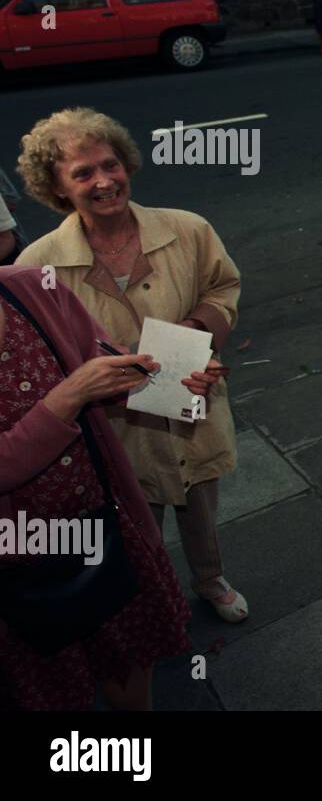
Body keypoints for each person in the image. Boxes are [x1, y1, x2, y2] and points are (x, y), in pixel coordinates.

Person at [14, 108, 247, 625]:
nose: (103, 181)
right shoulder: (38, 264)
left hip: (190, 403)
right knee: (133, 519)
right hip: (112, 427)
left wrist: (198, 331)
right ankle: (148, 598)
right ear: (57, 188)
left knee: (200, 502)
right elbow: (34, 355)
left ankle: (209, 579)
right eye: (82, 173)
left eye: (110, 164)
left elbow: (223, 287)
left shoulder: (187, 229)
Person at [0, 264, 202, 710]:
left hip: (102, 521)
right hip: (15, 561)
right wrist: (68, 396)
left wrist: (174, 378)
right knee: (49, 686)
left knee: (128, 657)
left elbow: (101, 361)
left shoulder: (31, 286)